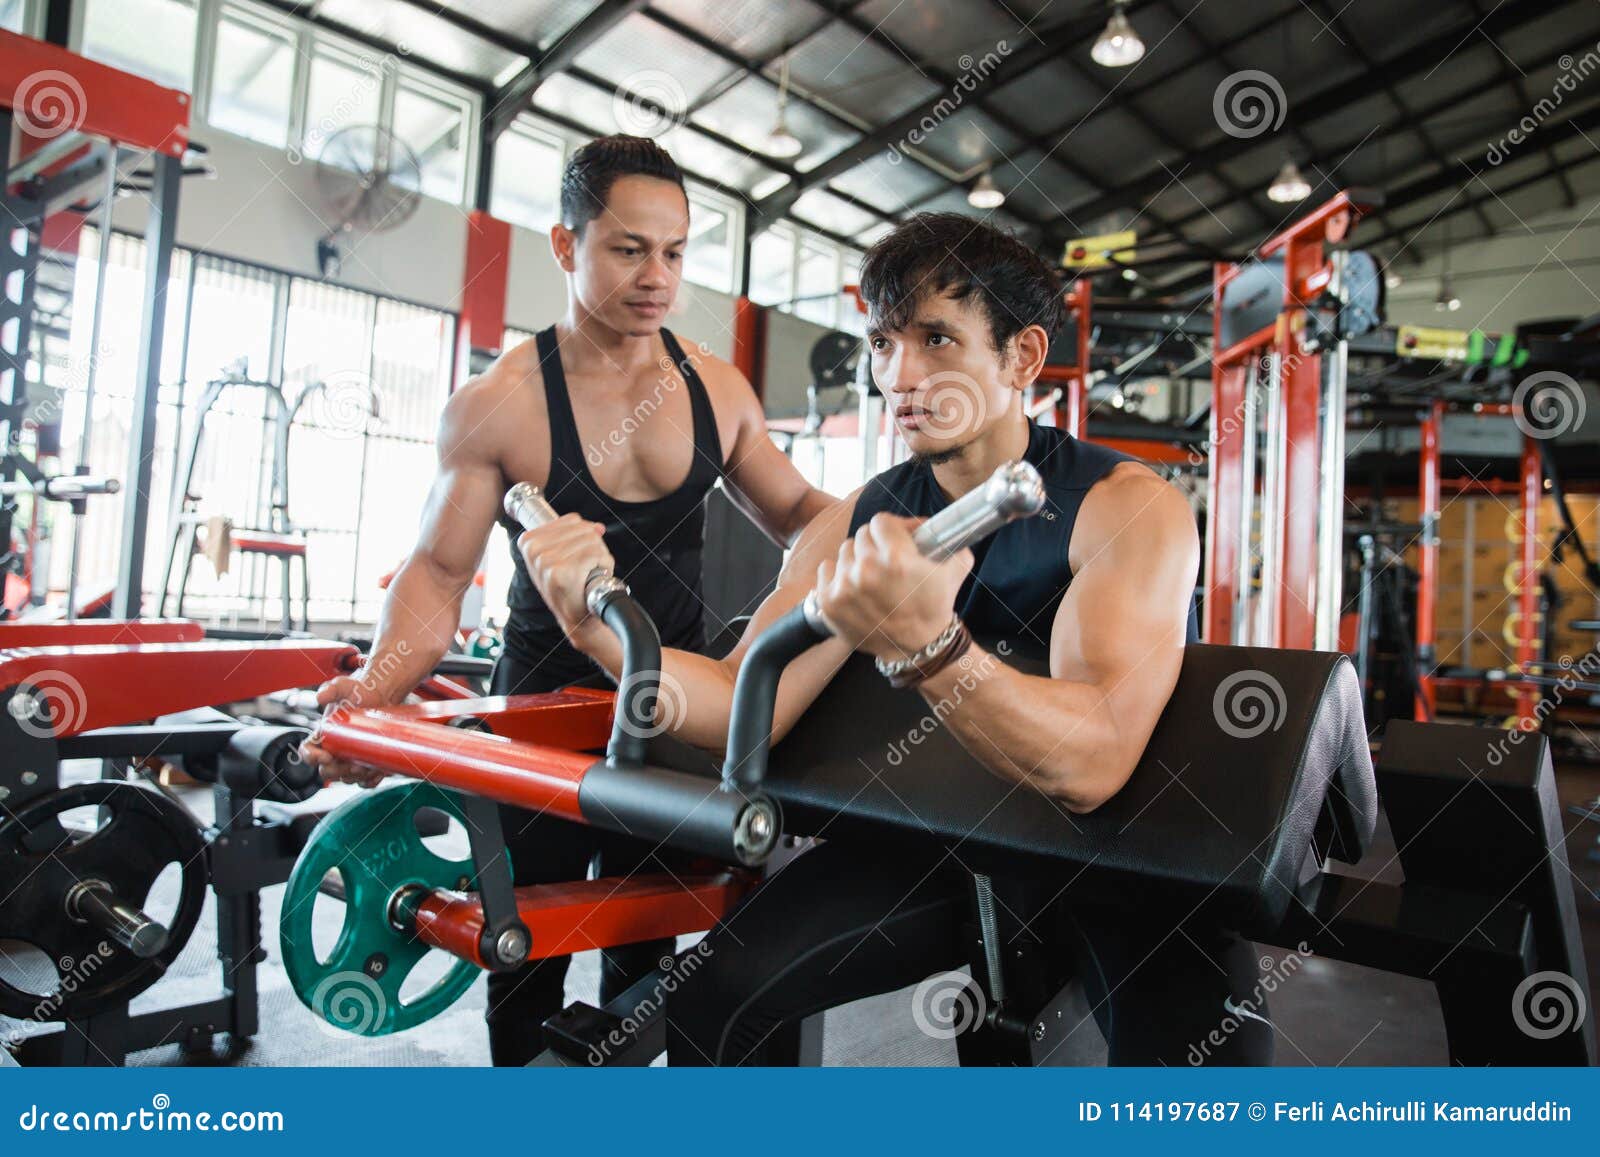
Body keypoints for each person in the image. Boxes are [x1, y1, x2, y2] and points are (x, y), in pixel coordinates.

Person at [516, 211, 1274, 1066]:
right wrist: (601, 634)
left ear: (1021, 358)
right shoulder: (866, 514)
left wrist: (933, 650)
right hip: (940, 850)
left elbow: (1092, 765)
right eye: (882, 342)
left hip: (1121, 863)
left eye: (937, 339)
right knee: (721, 996)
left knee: (1211, 1066)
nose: (899, 374)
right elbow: (744, 705)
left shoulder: (1127, 507)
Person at [300, 134, 834, 1066]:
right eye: (629, 248)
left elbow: (802, 515)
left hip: (673, 705)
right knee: (524, 949)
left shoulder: (715, 390)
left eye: (674, 252)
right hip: (540, 715)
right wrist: (372, 699)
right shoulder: (500, 403)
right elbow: (435, 574)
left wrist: (908, 530)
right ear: (564, 243)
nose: (657, 276)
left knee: (648, 942)